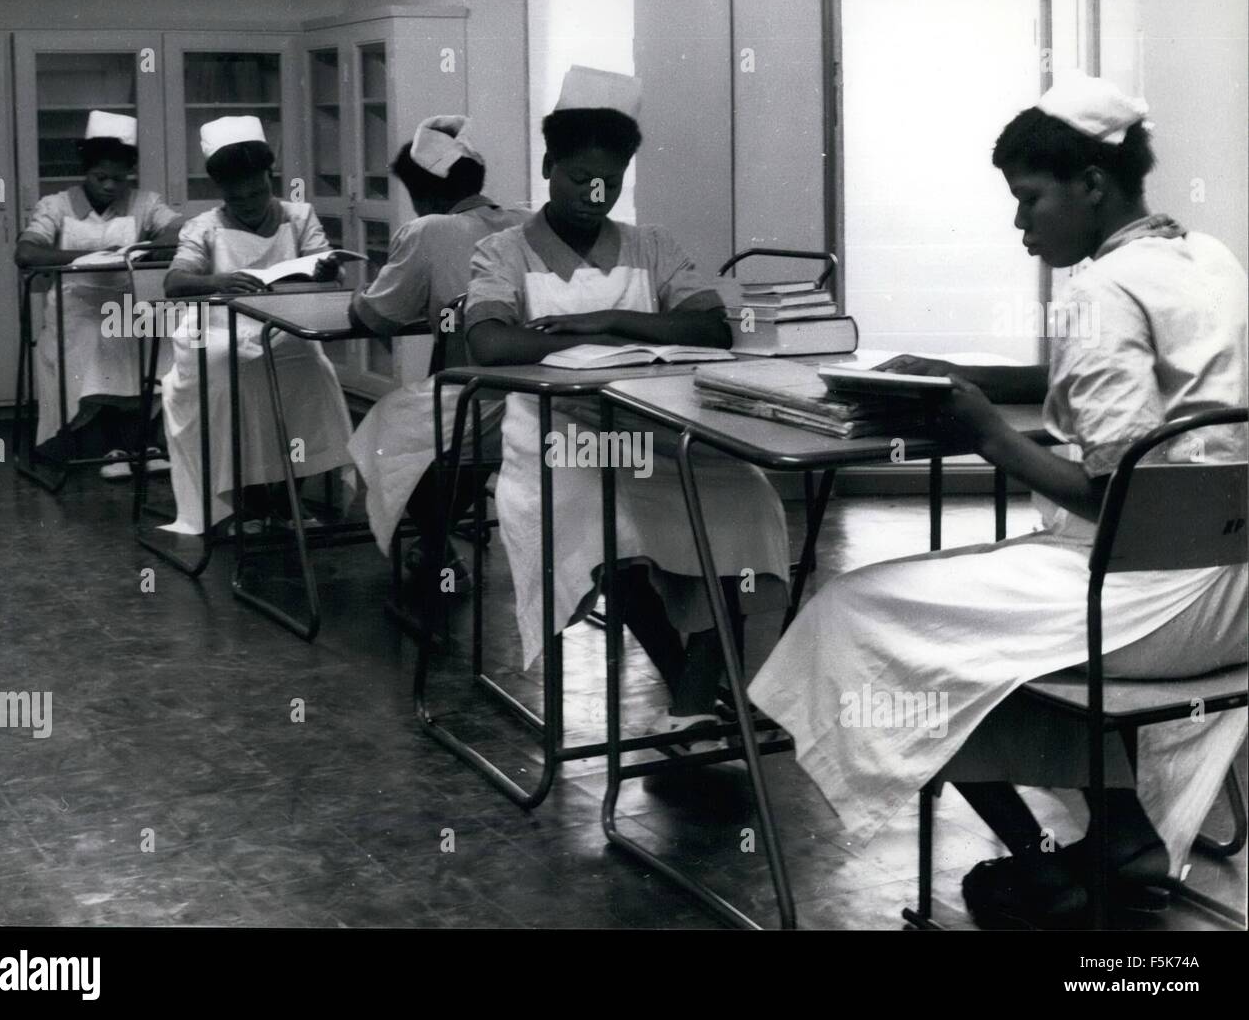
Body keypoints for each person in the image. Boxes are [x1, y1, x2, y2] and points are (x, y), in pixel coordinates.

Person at [746, 71, 1248, 927]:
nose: (1019, 224)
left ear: (1092, 183)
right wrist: (966, 375)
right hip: (1235, 590)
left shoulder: (1096, 290)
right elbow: (1145, 412)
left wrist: (986, 430)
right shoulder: (1205, 257)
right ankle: (1115, 837)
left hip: (1149, 604)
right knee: (966, 620)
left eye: (1030, 199)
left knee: (860, 613)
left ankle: (1049, 853)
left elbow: (1118, 498)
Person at [463, 66, 791, 739]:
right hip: (558, 444)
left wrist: (608, 321)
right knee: (619, 531)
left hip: (658, 431)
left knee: (740, 499)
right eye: (580, 175)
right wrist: (617, 328)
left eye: (610, 181)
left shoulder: (653, 245)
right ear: (548, 166)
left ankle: (696, 694)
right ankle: (695, 689)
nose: (594, 193)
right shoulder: (504, 252)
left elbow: (711, 327)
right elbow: (490, 345)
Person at [346, 116, 531, 592]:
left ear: (422, 193)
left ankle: (435, 543)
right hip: (539, 406)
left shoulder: (429, 230)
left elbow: (375, 319)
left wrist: (358, 294)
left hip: (477, 407)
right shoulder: (526, 222)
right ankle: (436, 541)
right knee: (443, 425)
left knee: (385, 433)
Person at [159, 115, 355, 534]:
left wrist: (323, 272)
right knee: (237, 371)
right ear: (221, 192)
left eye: (258, 191)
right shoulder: (204, 227)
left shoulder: (299, 217)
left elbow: (330, 270)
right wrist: (217, 281)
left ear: (271, 177)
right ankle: (243, 501)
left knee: (314, 371)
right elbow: (175, 282)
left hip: (285, 327)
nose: (250, 202)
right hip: (215, 330)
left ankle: (287, 498)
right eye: (238, 196)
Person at [15, 110, 182, 478]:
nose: (110, 186)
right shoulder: (56, 206)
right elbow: (26, 253)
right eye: (100, 177)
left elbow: (179, 231)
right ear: (85, 172)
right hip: (77, 308)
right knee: (93, 340)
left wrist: (146, 249)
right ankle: (104, 444)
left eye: (119, 179)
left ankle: (142, 440)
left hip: (128, 304)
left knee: (162, 342)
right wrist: (91, 259)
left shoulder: (145, 203)